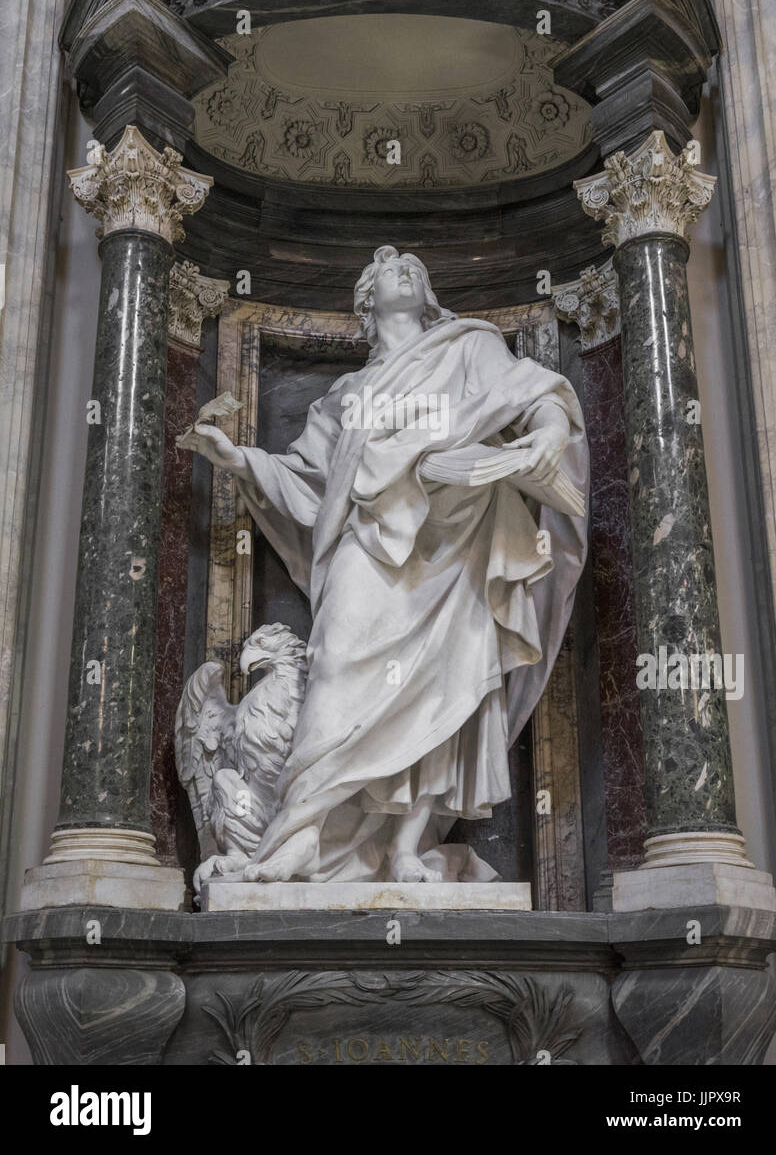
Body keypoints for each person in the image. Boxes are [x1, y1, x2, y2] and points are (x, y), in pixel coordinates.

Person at [179, 245, 588, 882]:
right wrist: (237, 459)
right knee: (336, 665)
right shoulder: (348, 394)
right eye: (390, 267)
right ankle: (300, 832)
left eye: (415, 267)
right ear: (366, 301)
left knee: (443, 690)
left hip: (456, 545)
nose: (405, 265)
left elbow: (532, 394)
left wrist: (550, 434)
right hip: (367, 547)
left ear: (426, 294)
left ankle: (404, 849)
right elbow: (309, 484)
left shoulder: (468, 347)